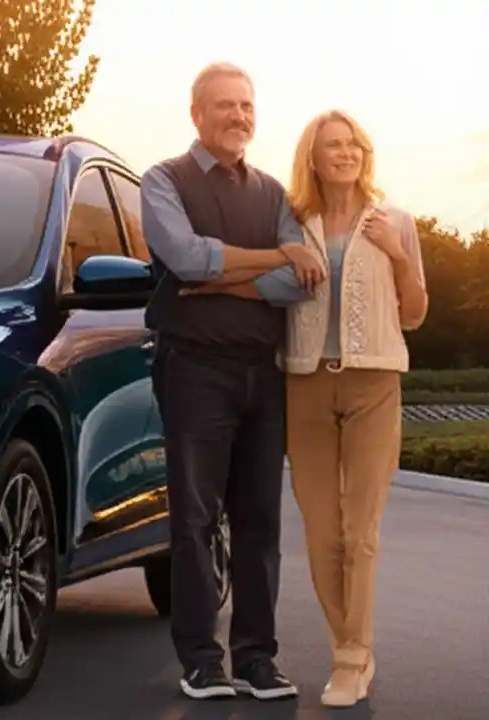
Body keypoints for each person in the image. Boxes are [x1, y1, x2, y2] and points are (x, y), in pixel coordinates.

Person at [187, 109, 428, 708]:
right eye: (332, 146)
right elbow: (270, 286)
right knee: (322, 531)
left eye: (352, 144)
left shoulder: (395, 220)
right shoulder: (292, 223)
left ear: (363, 153)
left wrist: (397, 256)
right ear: (313, 159)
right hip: (306, 385)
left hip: (375, 385)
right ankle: (352, 645)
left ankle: (350, 659)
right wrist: (209, 286)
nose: (344, 153)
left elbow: (416, 313)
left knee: (360, 531)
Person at [139, 61, 325, 701]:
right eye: (225, 106)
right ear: (197, 114)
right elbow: (184, 257)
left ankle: (256, 658)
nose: (238, 116)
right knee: (194, 520)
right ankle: (201, 660)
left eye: (246, 105)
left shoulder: (275, 194)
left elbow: (296, 284)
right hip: (192, 367)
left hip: (261, 373)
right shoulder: (164, 179)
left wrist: (218, 279)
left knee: (260, 523)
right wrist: (276, 255)